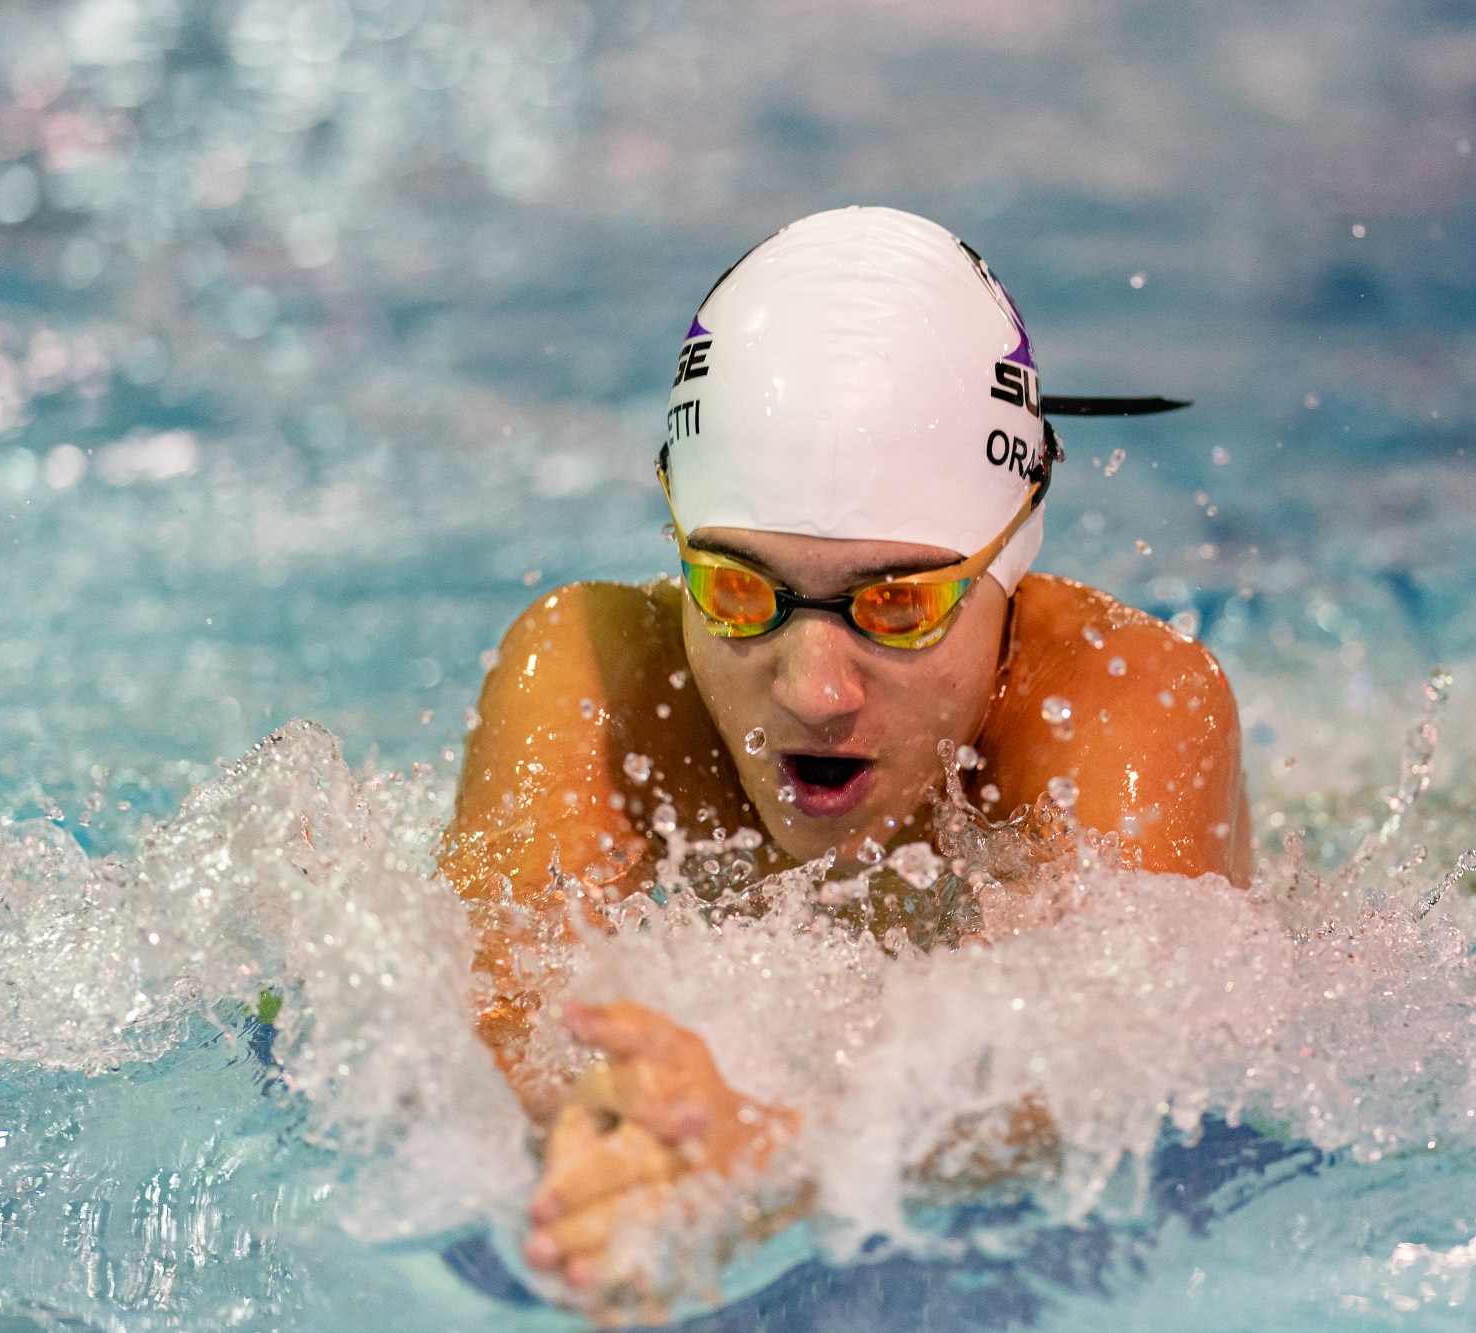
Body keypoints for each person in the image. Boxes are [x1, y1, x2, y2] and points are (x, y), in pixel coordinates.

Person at [437, 206, 1250, 1308]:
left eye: (899, 605)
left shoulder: (1119, 705)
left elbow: (1118, 1077)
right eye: (734, 590)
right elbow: (487, 1014)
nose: (813, 689)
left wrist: (784, 1152)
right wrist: (610, 1124)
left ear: (1008, 555)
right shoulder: (590, 673)